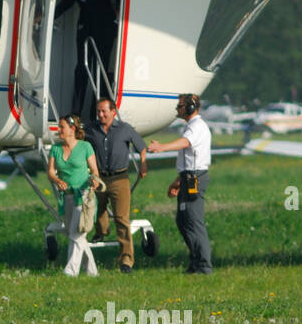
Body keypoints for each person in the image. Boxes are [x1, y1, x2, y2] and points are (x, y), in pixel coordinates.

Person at [147, 93, 213, 274]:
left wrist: (162, 147)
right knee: (183, 221)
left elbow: (185, 143)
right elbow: (190, 158)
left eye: (180, 106)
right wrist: (178, 181)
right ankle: (195, 262)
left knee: (193, 221)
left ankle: (204, 266)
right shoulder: (191, 126)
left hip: (195, 178)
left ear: (191, 108)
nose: (177, 109)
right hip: (188, 177)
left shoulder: (196, 127)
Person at [53, 0, 120, 117]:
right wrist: (49, 16)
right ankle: (76, 113)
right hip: (85, 28)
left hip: (104, 29)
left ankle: (95, 112)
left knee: (100, 68)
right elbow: (67, 2)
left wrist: (118, 16)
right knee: (81, 68)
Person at [87, 97, 148, 273]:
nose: (101, 115)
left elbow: (141, 147)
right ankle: (102, 231)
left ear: (113, 112)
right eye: (98, 111)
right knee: (97, 210)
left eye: (104, 111)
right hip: (98, 179)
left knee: (122, 219)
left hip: (120, 179)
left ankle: (126, 260)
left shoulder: (124, 129)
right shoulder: (90, 129)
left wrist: (143, 163)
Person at [46, 113, 104, 276]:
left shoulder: (86, 147)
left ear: (72, 129)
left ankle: (70, 271)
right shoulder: (56, 149)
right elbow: (50, 171)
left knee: (76, 232)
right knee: (75, 233)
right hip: (67, 198)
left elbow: (95, 171)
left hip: (84, 196)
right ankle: (92, 271)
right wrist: (57, 180)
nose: (58, 130)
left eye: (61, 127)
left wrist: (95, 182)